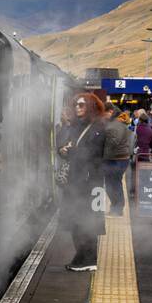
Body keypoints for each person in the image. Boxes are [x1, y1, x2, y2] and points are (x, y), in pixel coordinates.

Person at [59, 94, 108, 272]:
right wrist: (63, 150)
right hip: (79, 180)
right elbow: (67, 147)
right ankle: (85, 258)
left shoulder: (98, 128)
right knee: (78, 221)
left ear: (91, 107)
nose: (77, 107)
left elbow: (90, 154)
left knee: (86, 221)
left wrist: (71, 151)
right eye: (76, 104)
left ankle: (85, 258)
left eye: (81, 104)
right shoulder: (77, 126)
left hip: (89, 182)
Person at [101, 109, 133, 216]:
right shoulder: (121, 124)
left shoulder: (115, 125)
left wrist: (102, 147)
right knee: (115, 183)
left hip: (114, 159)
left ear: (110, 112)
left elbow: (114, 141)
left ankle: (117, 208)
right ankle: (117, 206)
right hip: (121, 158)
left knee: (113, 184)